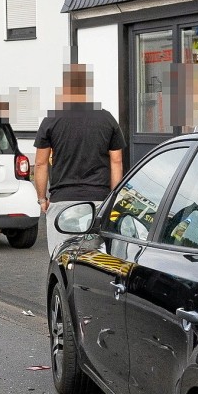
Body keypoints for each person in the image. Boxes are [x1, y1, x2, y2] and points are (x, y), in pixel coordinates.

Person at [33, 64, 125, 256]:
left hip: (63, 202)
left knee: (61, 259)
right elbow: (116, 161)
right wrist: (113, 198)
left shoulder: (52, 120)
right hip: (98, 202)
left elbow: (41, 163)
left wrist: (42, 199)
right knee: (95, 260)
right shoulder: (107, 119)